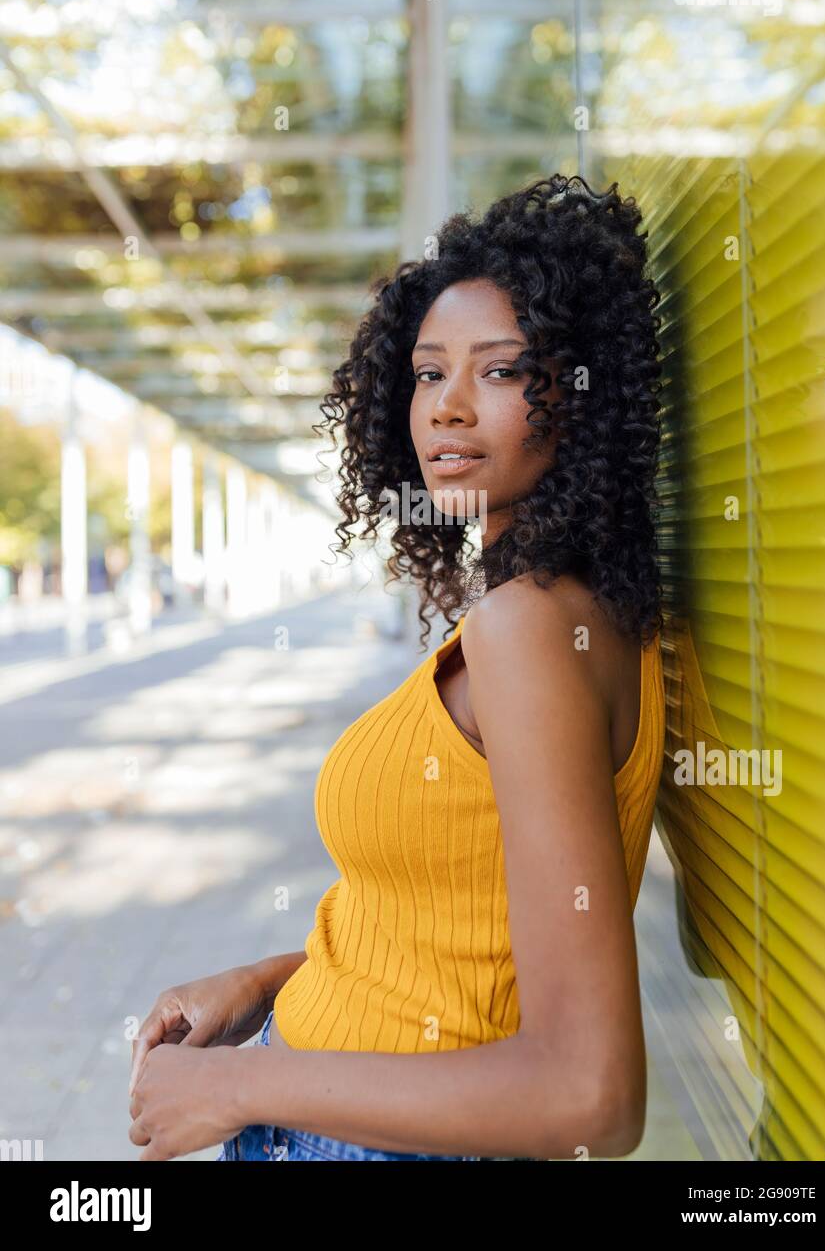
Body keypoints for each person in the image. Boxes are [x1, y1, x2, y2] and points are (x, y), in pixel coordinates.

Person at [128, 172, 666, 1162]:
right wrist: (264, 982)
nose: (449, 410)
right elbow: (458, 944)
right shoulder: (548, 612)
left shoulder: (531, 629)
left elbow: (588, 1092)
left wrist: (233, 1085)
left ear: (580, 398)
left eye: (500, 372)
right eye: (428, 373)